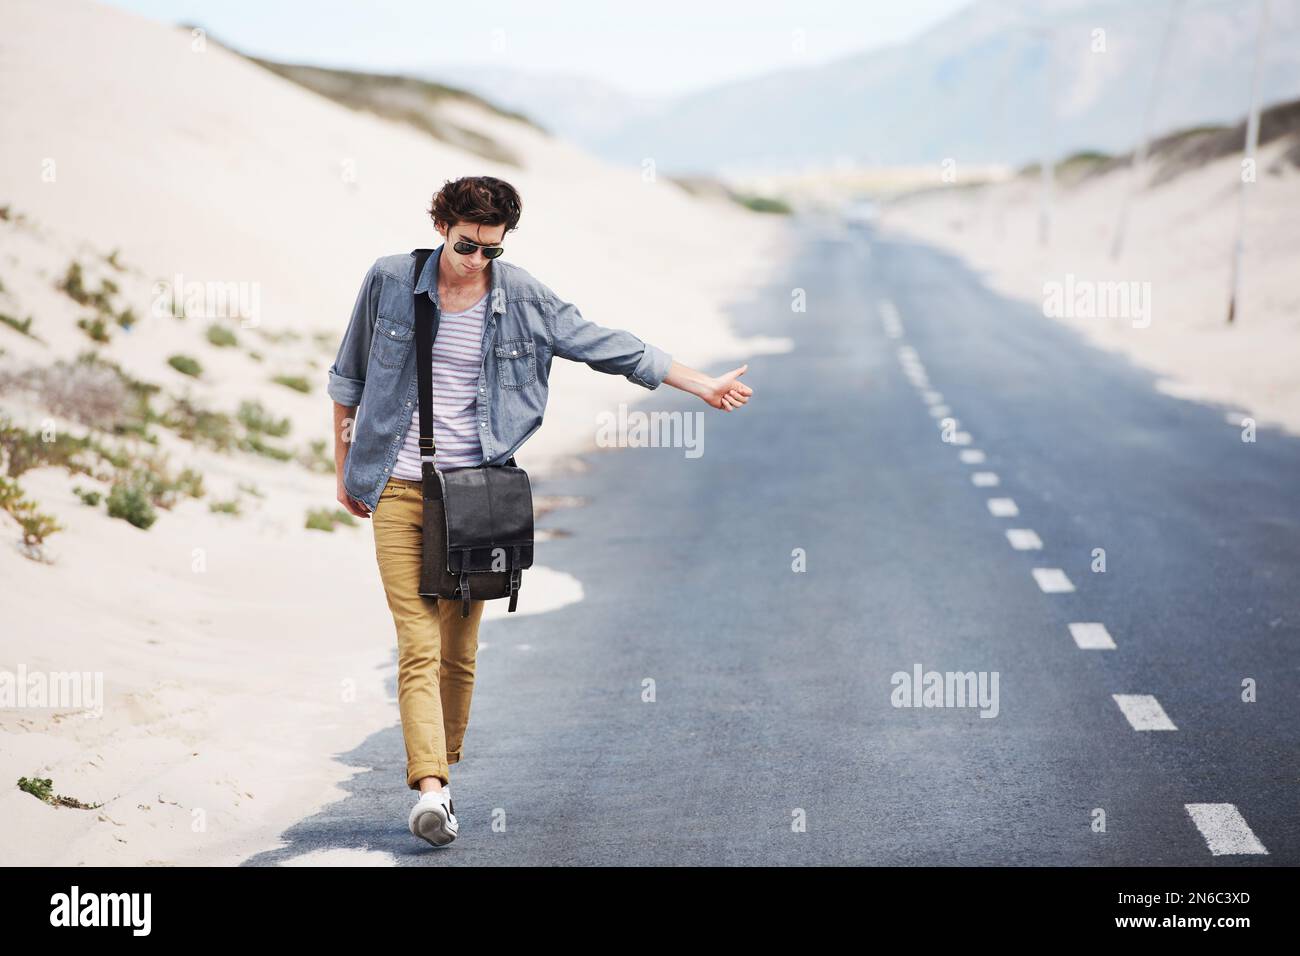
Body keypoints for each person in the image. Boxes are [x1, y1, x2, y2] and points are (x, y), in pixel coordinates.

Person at [327, 175, 752, 847]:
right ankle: (430, 791)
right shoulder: (387, 280)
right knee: (418, 641)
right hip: (399, 486)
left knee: (460, 654)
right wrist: (345, 465)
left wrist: (700, 383)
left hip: (479, 495)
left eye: (491, 251)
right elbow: (347, 378)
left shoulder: (521, 297)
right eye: (467, 247)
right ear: (441, 226)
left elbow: (607, 344)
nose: (477, 262)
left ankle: (444, 773)